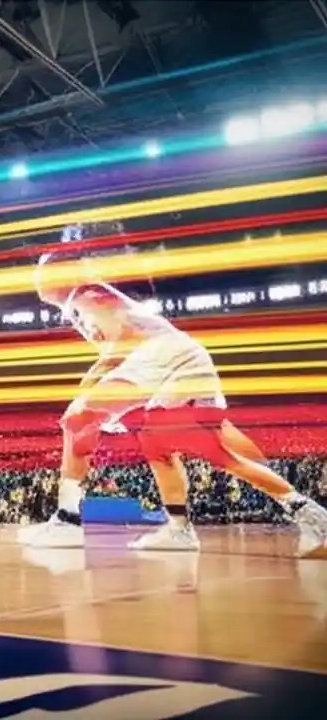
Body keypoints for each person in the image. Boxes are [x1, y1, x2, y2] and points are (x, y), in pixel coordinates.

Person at [20, 223, 327, 557]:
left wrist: (95, 388)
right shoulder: (84, 302)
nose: (36, 281)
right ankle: (291, 512)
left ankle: (68, 519)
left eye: (42, 272)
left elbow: (124, 343)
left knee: (78, 419)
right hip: (177, 358)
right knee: (169, 444)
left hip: (165, 356)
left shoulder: (87, 295)